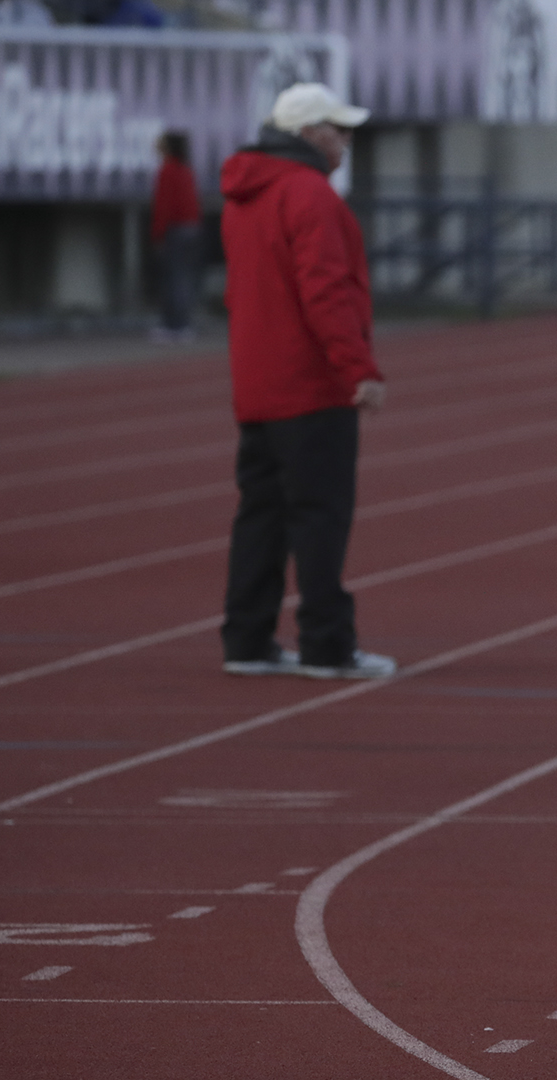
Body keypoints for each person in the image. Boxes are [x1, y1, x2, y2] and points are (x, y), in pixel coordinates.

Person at [218, 83, 395, 681]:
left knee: (260, 517)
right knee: (319, 517)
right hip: (311, 387)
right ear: (307, 135)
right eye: (337, 130)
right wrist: (359, 370)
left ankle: (246, 638)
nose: (345, 141)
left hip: (257, 386)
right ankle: (326, 645)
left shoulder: (245, 194)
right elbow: (326, 292)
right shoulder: (310, 194)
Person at [151, 130, 202, 343]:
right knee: (183, 277)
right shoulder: (185, 169)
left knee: (173, 279)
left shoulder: (167, 170)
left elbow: (164, 206)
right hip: (191, 228)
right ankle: (180, 323)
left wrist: (158, 234)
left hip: (176, 229)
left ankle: (175, 325)